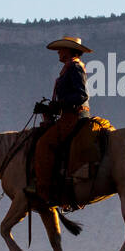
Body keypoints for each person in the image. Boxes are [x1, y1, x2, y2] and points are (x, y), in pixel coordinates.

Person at [26, 37, 91, 201]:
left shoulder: (75, 67)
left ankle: (45, 190)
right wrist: (49, 108)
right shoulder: (69, 68)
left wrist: (58, 106)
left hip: (74, 117)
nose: (58, 52)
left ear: (69, 50)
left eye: (61, 49)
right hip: (68, 115)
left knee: (44, 144)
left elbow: (82, 95)